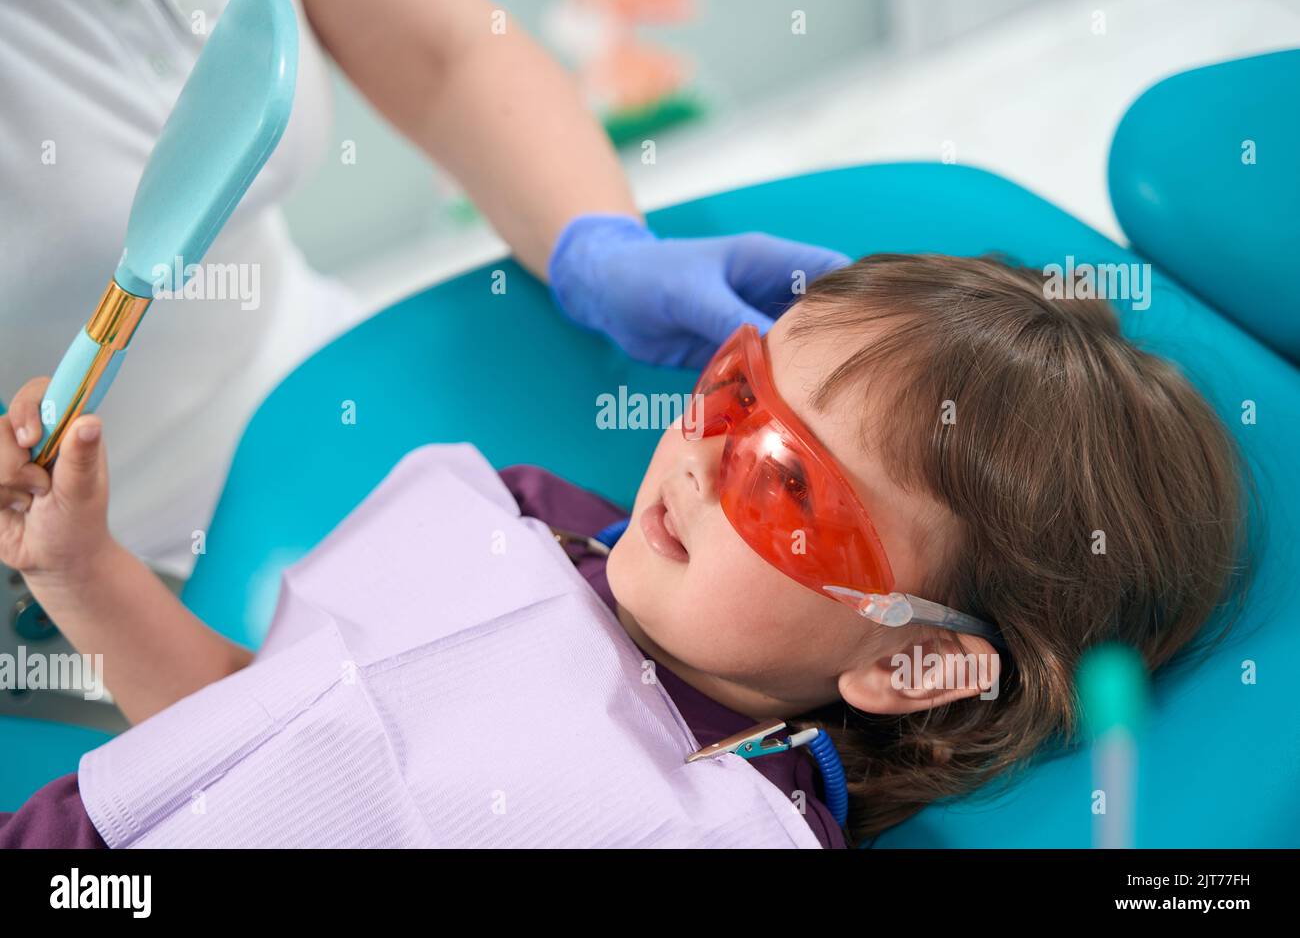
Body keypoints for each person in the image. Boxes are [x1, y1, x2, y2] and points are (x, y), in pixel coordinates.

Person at [0, 253, 1249, 847]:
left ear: (911, 663)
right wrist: (80, 568)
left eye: (786, 483)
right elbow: (237, 736)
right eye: (731, 387)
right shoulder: (511, 513)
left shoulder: (720, 830)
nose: (705, 453)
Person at [0, 0, 846, 577]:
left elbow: (446, 56)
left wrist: (597, 245)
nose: (708, 467)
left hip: (329, 393)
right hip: (81, 551)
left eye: (797, 482)